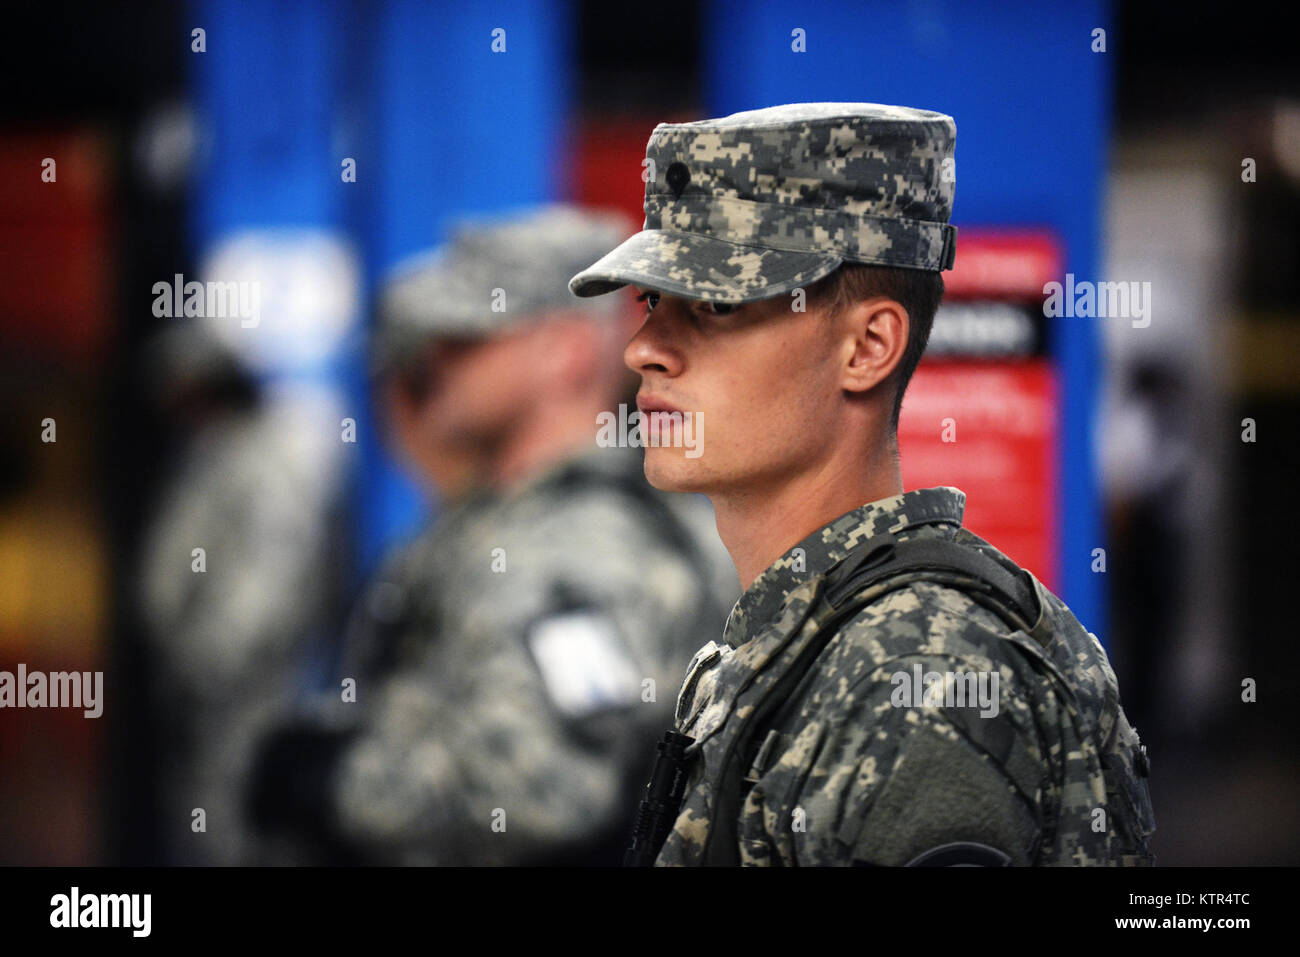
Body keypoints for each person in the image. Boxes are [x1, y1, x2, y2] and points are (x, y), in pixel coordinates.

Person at [569, 103, 1156, 866]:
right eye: (652, 301)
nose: (645, 346)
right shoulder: (806, 635)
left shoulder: (921, 677)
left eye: (715, 302)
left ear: (869, 347)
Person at [248, 205, 737, 865]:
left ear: (565, 353)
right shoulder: (508, 512)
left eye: (467, 337)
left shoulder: (582, 542)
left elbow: (548, 785)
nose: (436, 359)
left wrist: (338, 782)